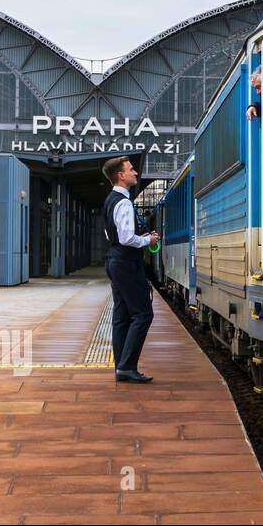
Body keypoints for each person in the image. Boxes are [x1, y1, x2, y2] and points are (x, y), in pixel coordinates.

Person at [101, 156, 158, 383]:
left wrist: (139, 238)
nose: (135, 173)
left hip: (115, 260)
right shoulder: (123, 202)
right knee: (144, 314)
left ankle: (121, 366)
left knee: (122, 316)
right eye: (131, 169)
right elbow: (125, 238)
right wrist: (148, 240)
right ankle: (127, 366)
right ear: (120, 176)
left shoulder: (110, 200)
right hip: (126, 263)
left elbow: (111, 235)